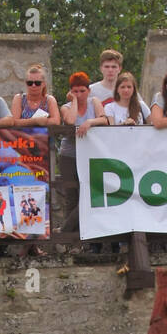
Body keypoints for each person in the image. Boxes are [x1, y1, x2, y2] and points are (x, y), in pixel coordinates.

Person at [58, 73, 107, 234]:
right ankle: (71, 242)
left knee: (88, 195)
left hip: (91, 155)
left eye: (82, 91)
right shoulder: (65, 107)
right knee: (71, 196)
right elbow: (70, 121)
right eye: (75, 91)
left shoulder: (94, 102)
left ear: (88, 91)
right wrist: (73, 102)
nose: (79, 95)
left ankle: (65, 232)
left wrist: (89, 122)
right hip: (69, 155)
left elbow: (104, 119)